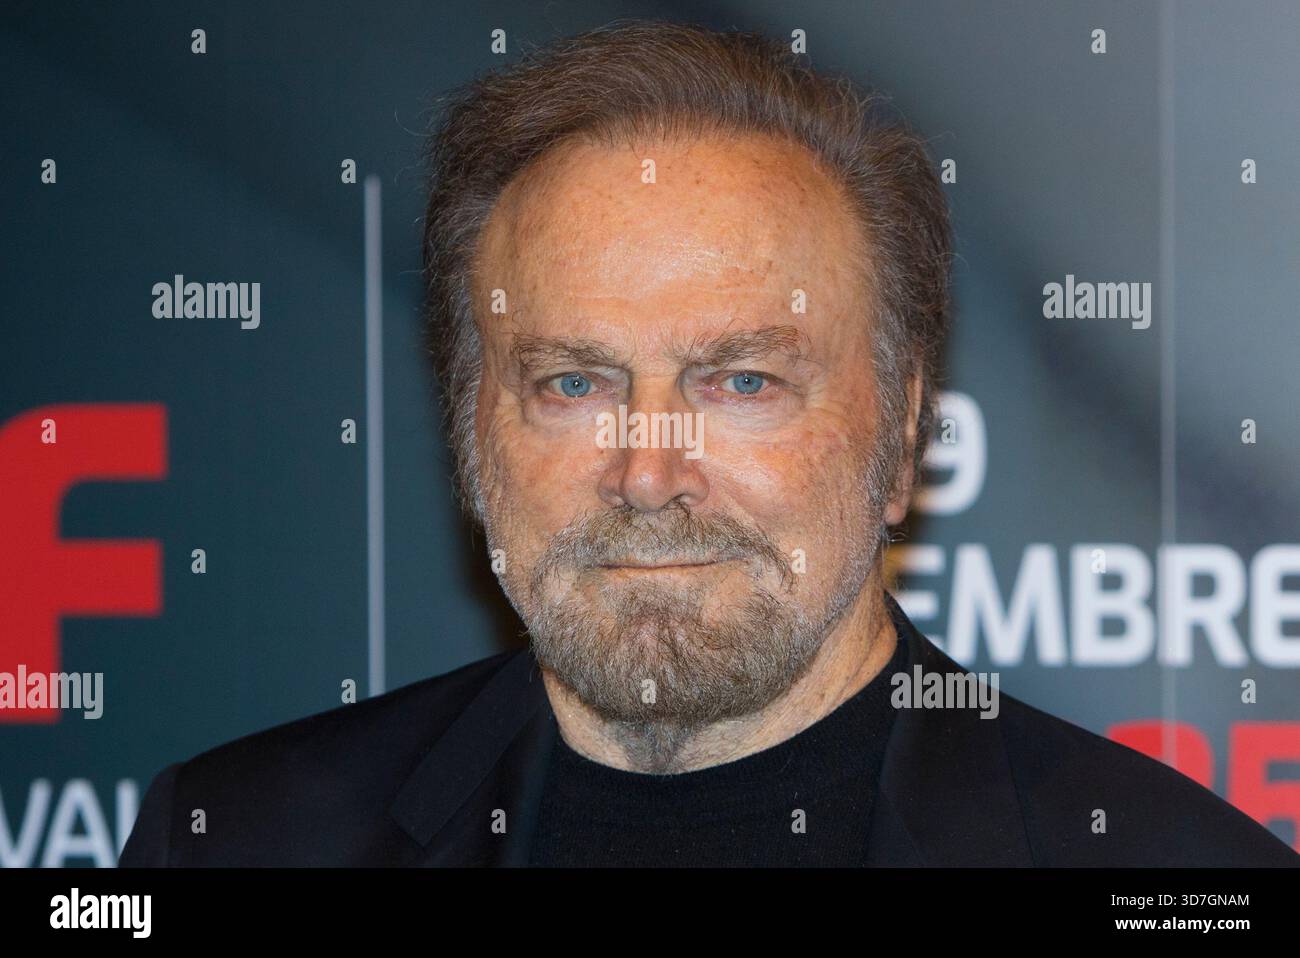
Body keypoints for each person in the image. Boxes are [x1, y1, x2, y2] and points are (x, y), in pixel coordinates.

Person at [120, 20, 1297, 867]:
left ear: (899, 442)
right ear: (471, 432)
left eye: (740, 380)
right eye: (573, 381)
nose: (647, 470)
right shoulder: (234, 838)